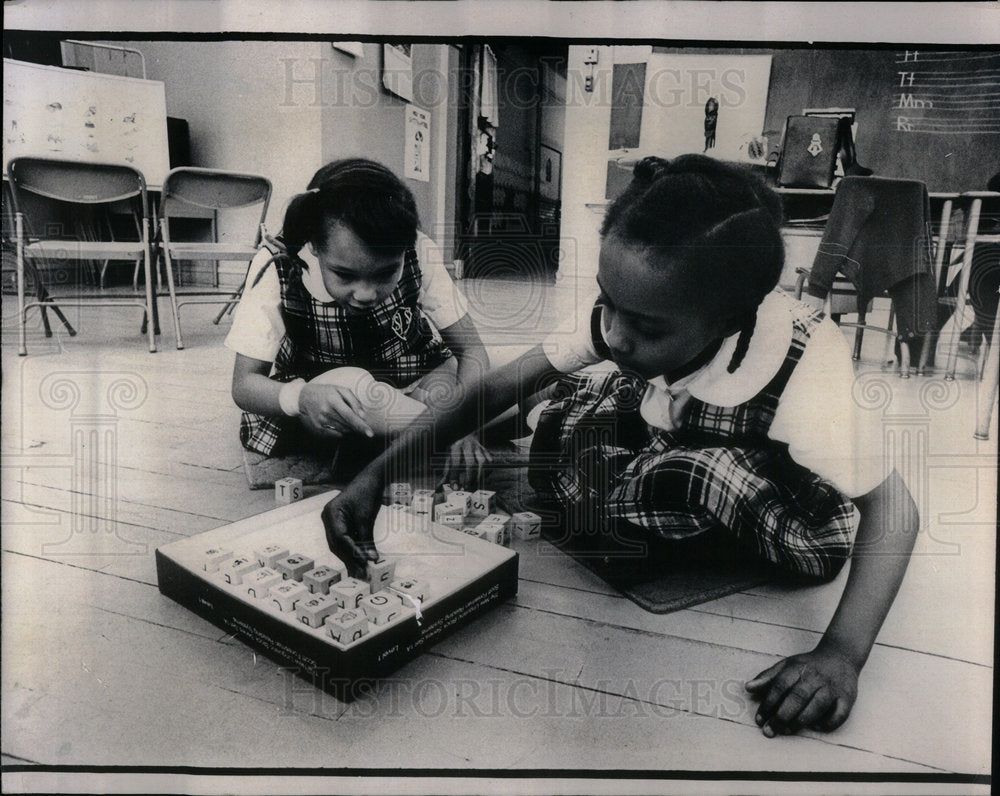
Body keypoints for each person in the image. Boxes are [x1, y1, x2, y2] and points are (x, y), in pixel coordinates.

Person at [319, 154, 919, 739]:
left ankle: (662, 506)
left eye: (647, 327)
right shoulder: (628, 312)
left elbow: (894, 510)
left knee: (686, 472)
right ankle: (638, 482)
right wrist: (374, 476)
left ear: (730, 319)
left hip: (781, 491)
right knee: (568, 413)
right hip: (673, 426)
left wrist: (842, 653)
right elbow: (502, 384)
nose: (612, 333)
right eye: (606, 302)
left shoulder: (806, 365)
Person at [226, 158, 490, 481]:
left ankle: (425, 430)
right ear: (315, 245)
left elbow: (472, 351)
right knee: (353, 390)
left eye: (385, 273)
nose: (366, 293)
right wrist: (301, 397)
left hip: (415, 378)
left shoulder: (419, 249)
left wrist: (461, 416)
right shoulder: (278, 264)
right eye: (344, 275)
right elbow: (243, 385)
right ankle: (435, 433)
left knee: (495, 379)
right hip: (333, 400)